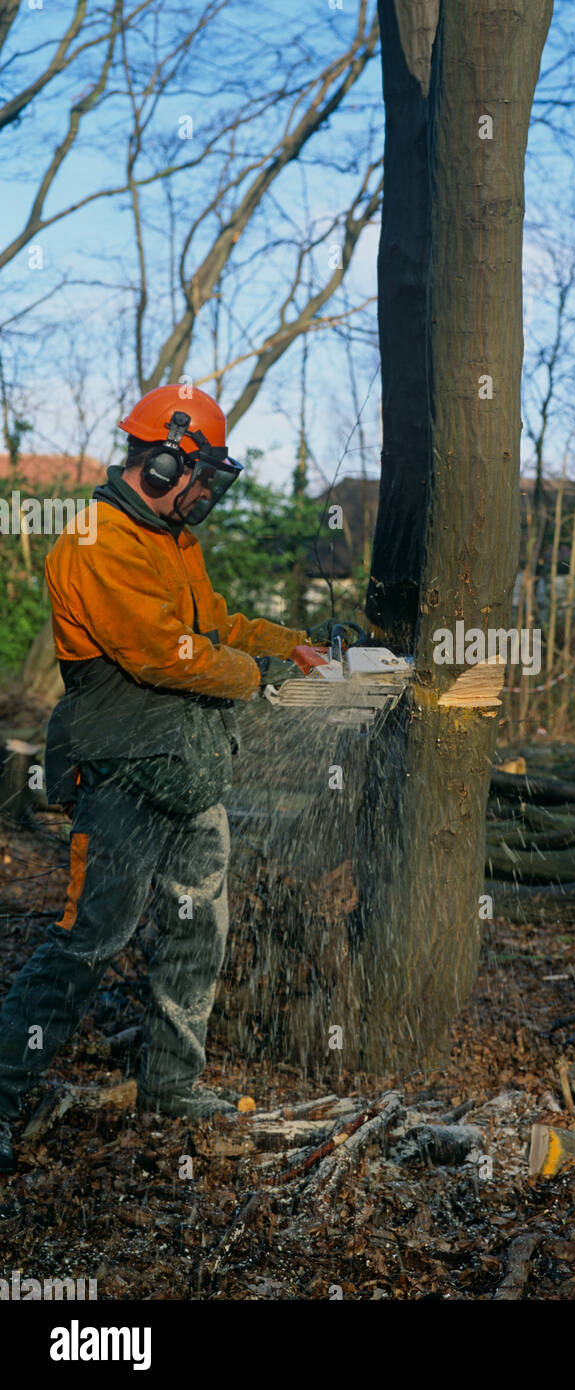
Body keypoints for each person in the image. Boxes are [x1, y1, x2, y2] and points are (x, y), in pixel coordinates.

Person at [0, 385, 349, 1174]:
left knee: (200, 926)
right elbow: (167, 652)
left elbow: (213, 623)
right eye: (203, 478)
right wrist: (259, 674)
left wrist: (295, 646)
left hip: (190, 767)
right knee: (90, 941)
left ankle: (171, 1081)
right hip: (122, 768)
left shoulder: (170, 540)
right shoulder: (97, 542)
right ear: (163, 464)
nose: (207, 496)